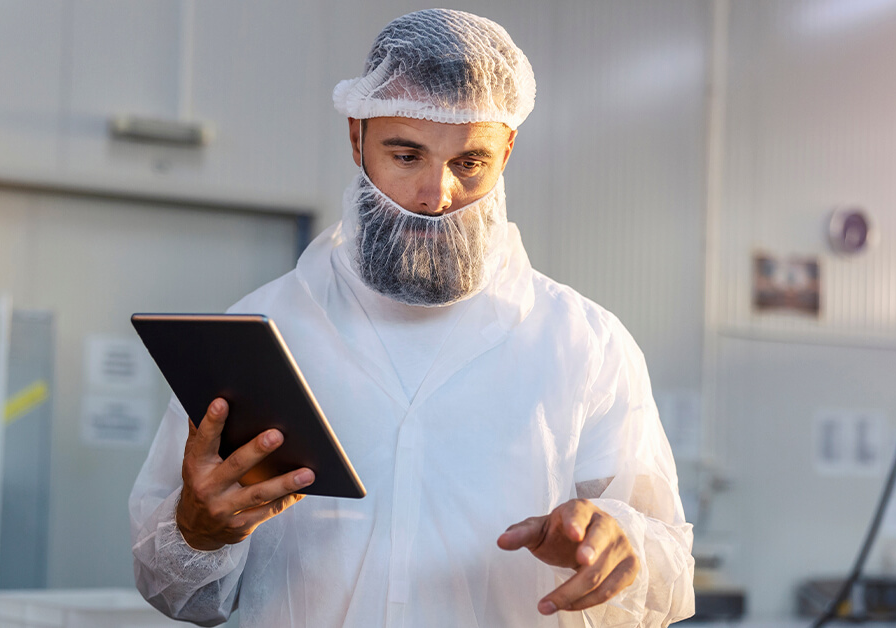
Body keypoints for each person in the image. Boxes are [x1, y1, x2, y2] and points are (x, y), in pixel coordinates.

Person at [130, 8, 694, 627]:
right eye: (406, 155)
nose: (436, 195)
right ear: (356, 139)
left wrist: (617, 546)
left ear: (506, 149)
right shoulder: (264, 328)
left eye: (469, 163)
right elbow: (177, 593)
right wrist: (198, 532)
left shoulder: (583, 345)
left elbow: (666, 570)